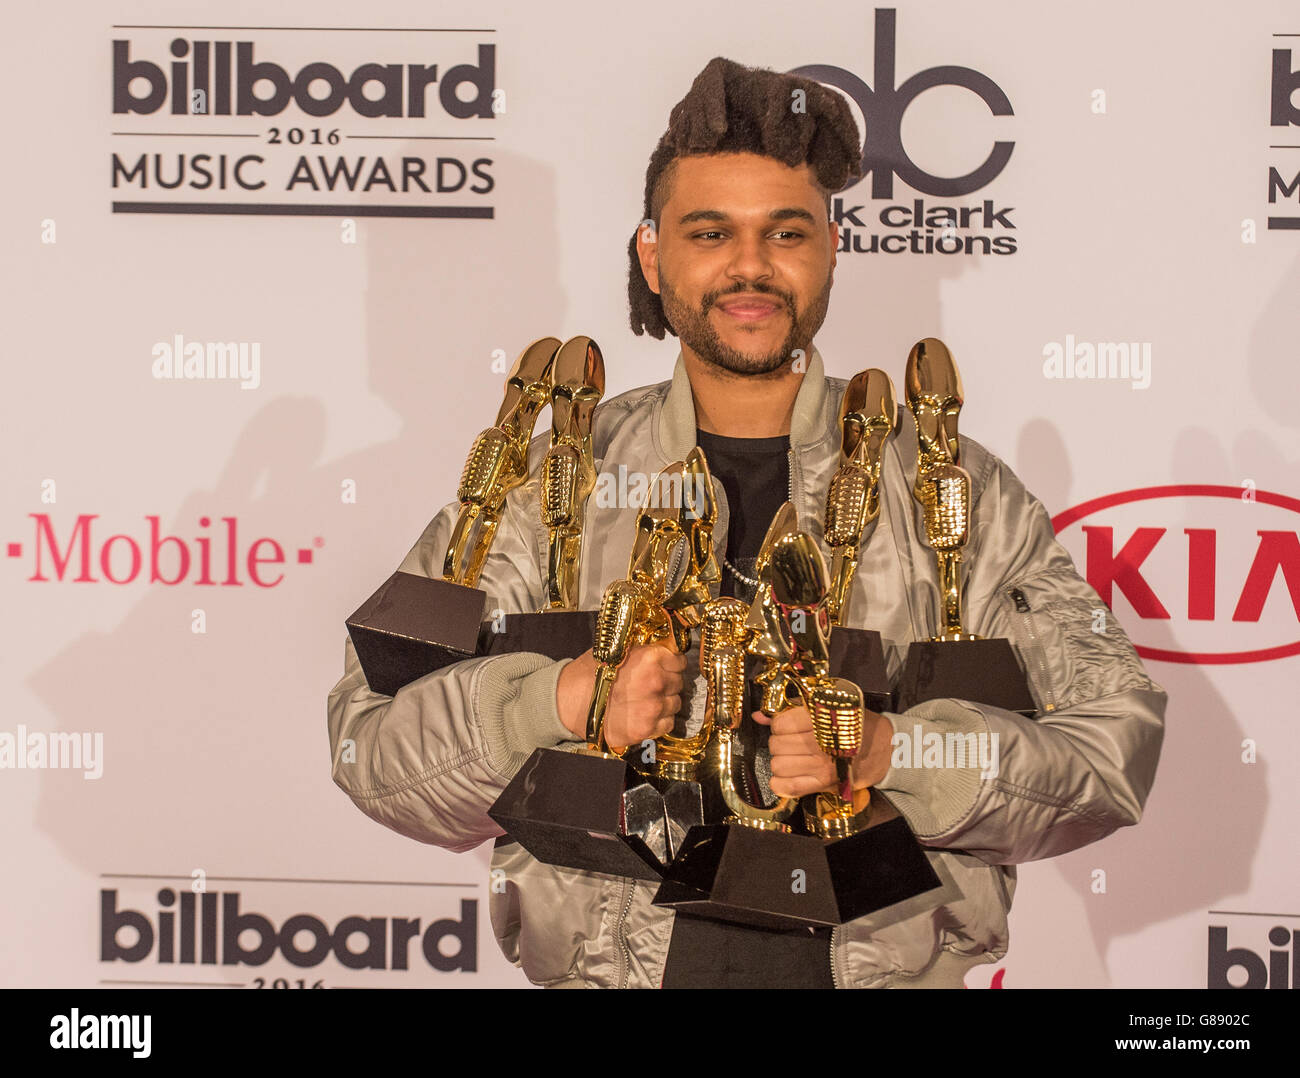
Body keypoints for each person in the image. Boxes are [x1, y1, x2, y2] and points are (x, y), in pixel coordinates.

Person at [326, 57, 1166, 988]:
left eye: (786, 232)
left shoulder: (958, 492)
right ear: (654, 255)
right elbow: (369, 745)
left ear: (832, 250)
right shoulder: (544, 483)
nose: (751, 267)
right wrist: (558, 701)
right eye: (710, 232)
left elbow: (1113, 748)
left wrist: (897, 752)